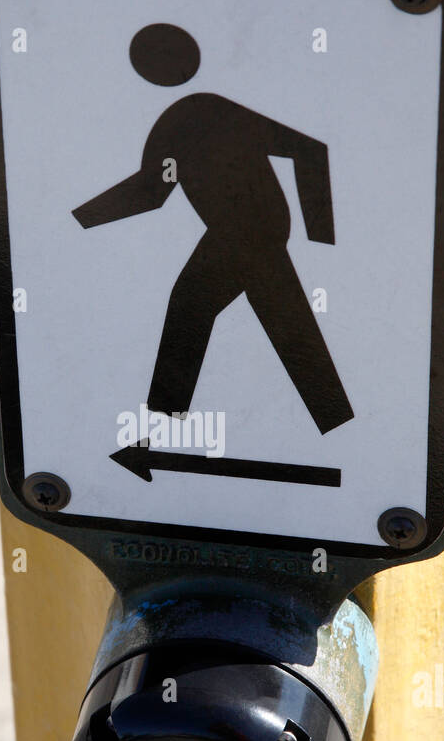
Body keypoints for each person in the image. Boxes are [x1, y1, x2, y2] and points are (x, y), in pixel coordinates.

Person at [73, 23, 353, 434]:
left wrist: (323, 235)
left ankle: (162, 426)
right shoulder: (181, 120)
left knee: (191, 303)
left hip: (250, 227)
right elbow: (151, 192)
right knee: (283, 319)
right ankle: (338, 422)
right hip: (249, 229)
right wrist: (80, 220)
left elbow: (308, 150)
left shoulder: (202, 110)